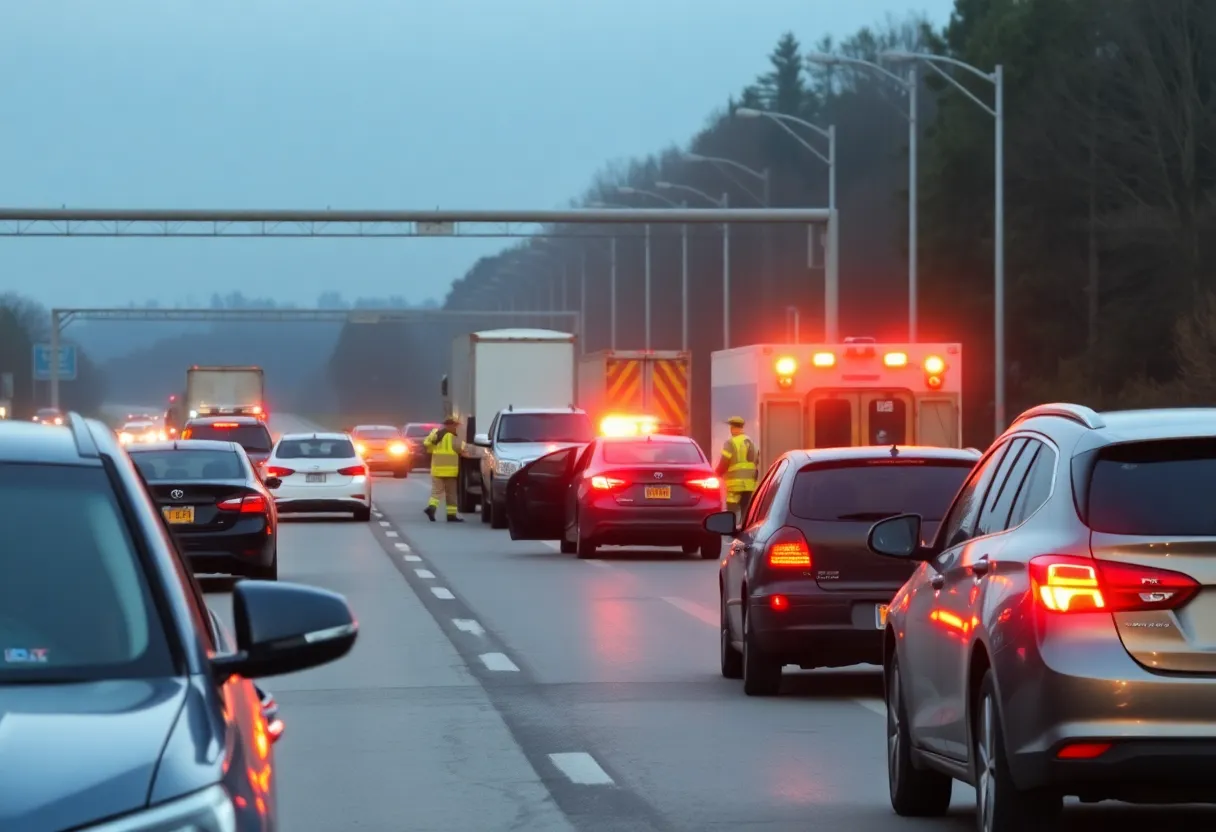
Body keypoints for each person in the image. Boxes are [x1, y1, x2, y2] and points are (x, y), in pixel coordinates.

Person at [423, 416, 468, 523]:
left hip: (437, 469)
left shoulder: (436, 434)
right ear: (451, 425)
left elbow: (427, 446)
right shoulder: (452, 436)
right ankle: (451, 515)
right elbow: (460, 448)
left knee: (436, 492)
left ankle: (431, 509)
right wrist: (464, 443)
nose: (456, 428)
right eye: (455, 426)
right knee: (451, 493)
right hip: (450, 470)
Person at [715, 416, 758, 523]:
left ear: (734, 428)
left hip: (735, 484)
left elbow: (724, 462)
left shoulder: (731, 443)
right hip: (749, 484)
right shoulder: (751, 442)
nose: (731, 430)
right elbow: (756, 462)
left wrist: (716, 474)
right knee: (745, 510)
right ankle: (745, 531)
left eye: (731, 427)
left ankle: (731, 530)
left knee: (732, 509)